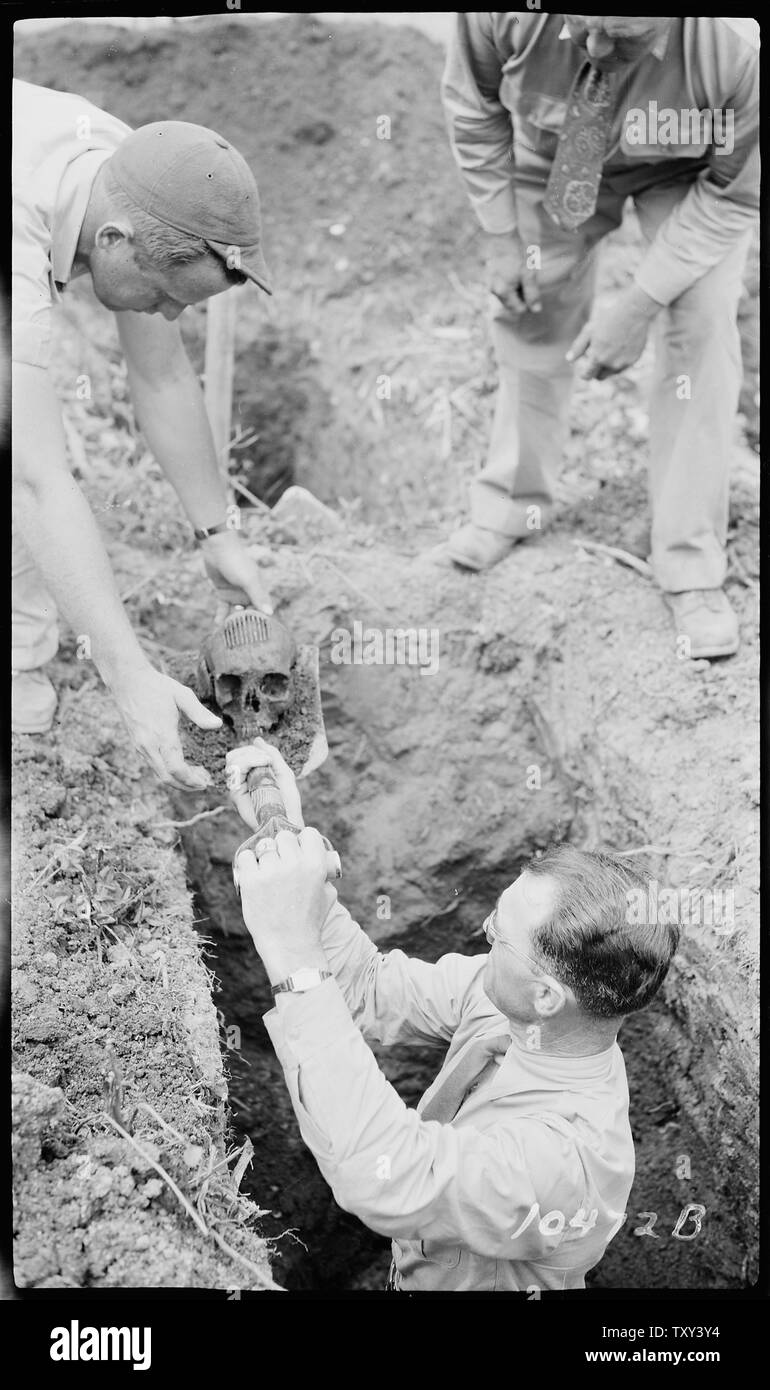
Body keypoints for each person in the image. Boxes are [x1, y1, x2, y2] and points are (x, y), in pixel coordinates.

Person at [228, 740, 679, 1293]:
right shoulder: (503, 1000)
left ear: (546, 996)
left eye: (499, 936)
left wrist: (292, 956)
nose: (483, 935)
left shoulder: (563, 1162)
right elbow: (367, 986)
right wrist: (291, 843)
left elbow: (387, 1174)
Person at [441, 15, 759, 659]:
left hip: (689, 176)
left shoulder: (739, 49)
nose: (594, 49)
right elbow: (474, 109)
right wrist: (500, 236)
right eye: (583, 27)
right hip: (551, 152)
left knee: (699, 324)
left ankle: (690, 567)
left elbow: (735, 194)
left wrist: (637, 306)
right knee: (530, 304)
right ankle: (511, 503)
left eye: (622, 39)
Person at [12, 79, 275, 788]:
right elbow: (33, 477)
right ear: (114, 243)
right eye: (164, 296)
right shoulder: (18, 244)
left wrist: (217, 534)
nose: (165, 315)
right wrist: (129, 679)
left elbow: (160, 375)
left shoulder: (134, 172)